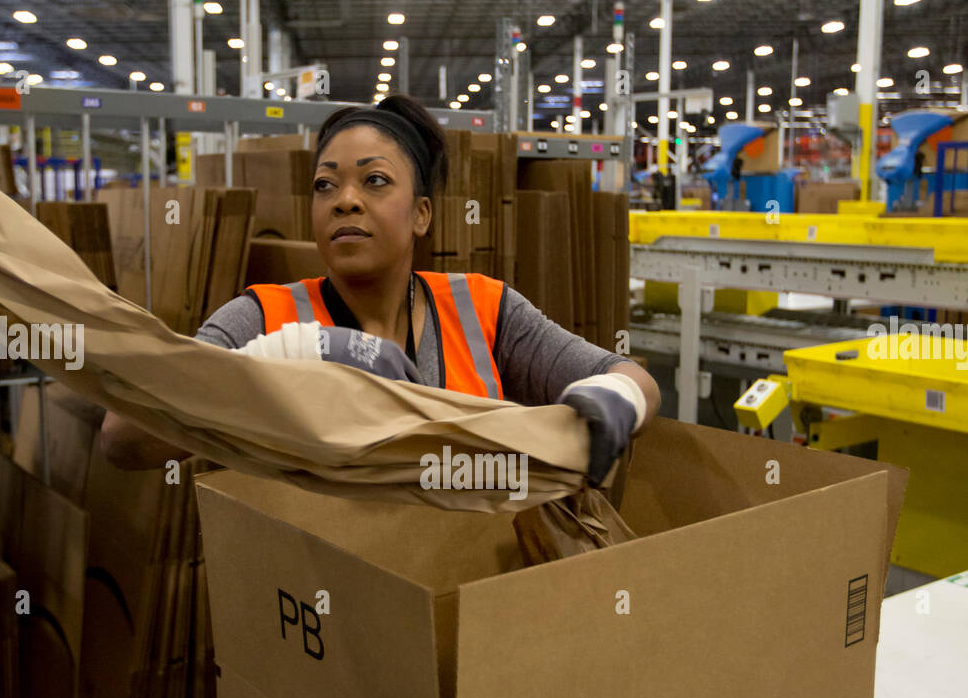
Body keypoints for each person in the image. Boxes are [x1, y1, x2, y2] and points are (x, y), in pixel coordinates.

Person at [101, 93, 660, 485]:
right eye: (325, 185)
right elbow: (123, 439)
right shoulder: (265, 319)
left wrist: (615, 398)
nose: (345, 199)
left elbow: (631, 375)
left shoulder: (483, 307)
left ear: (421, 215)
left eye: (374, 180)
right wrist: (297, 354)